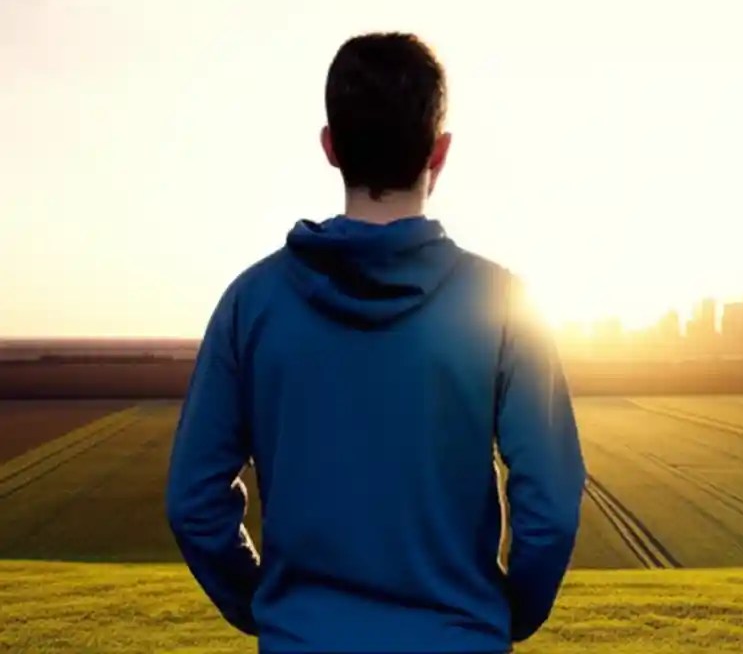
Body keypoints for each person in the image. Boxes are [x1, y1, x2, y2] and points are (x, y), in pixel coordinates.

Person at [166, 32, 586, 653]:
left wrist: (269, 609)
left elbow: (192, 502)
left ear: (331, 146)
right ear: (439, 152)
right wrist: (497, 617)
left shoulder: (249, 303)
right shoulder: (503, 305)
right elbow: (549, 508)